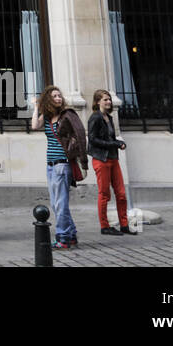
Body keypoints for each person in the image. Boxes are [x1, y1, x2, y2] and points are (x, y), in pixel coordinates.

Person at [30, 85, 87, 249]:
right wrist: (36, 107)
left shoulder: (67, 115)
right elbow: (34, 126)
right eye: (54, 96)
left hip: (62, 164)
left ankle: (63, 237)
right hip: (50, 165)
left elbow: (80, 135)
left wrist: (82, 160)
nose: (58, 98)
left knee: (60, 203)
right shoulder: (47, 118)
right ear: (48, 99)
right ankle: (71, 234)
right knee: (56, 203)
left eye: (59, 96)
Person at [88, 89, 137, 236]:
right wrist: (113, 144)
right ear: (98, 102)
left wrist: (119, 143)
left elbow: (110, 138)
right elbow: (92, 139)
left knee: (121, 193)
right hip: (101, 159)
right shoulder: (95, 118)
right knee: (104, 194)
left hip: (113, 159)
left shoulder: (109, 117)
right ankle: (104, 226)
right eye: (105, 100)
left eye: (109, 99)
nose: (109, 102)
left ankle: (124, 224)